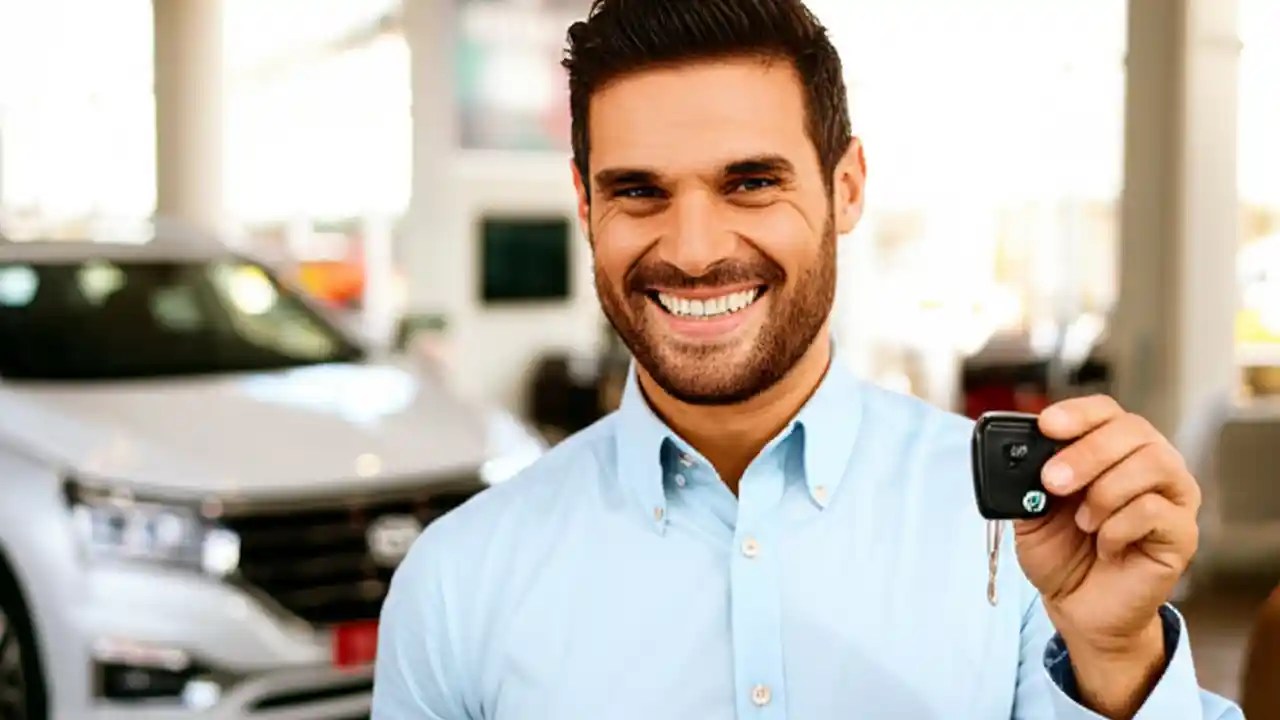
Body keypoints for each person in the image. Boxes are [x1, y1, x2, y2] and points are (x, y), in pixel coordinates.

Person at [373, 1, 1243, 717]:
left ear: (847, 187)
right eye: (639, 191)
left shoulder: (1028, 536)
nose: (696, 249)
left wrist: (1117, 657)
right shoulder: (458, 582)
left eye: (751, 181)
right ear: (584, 203)